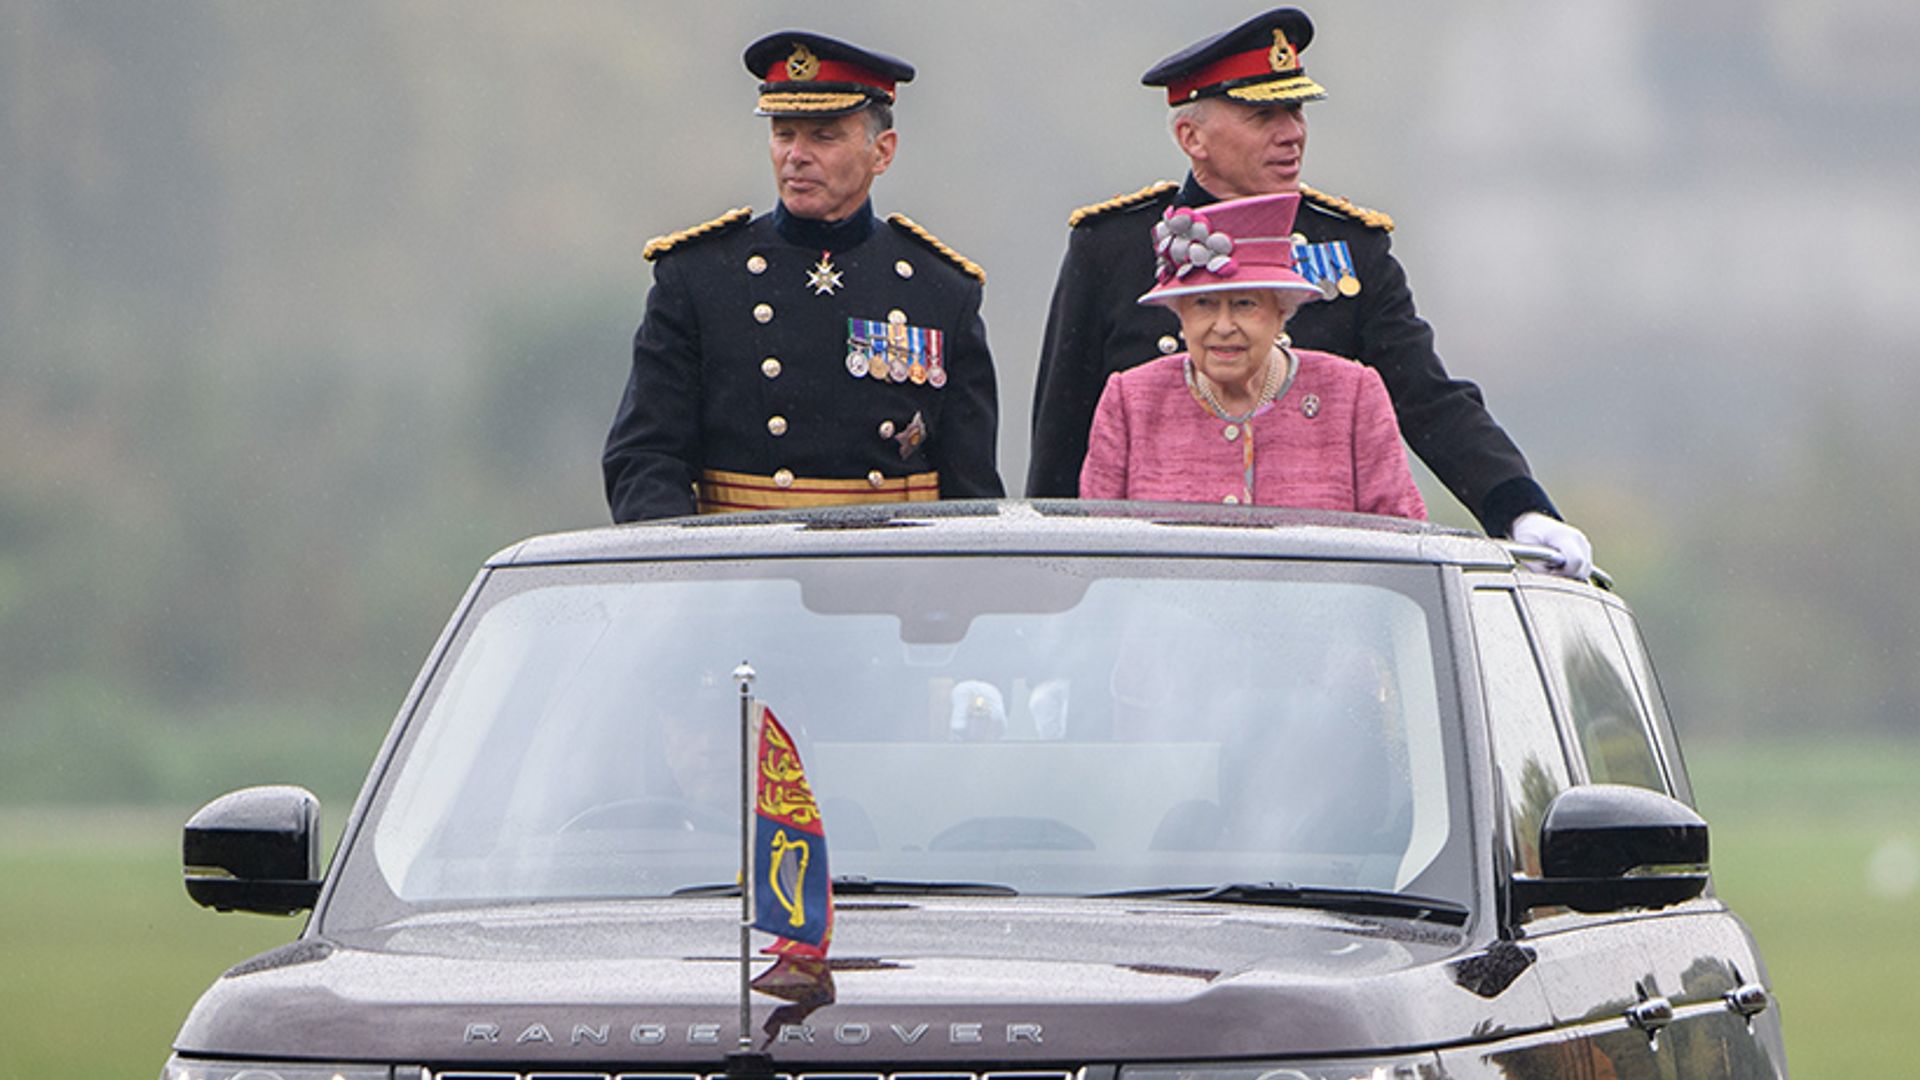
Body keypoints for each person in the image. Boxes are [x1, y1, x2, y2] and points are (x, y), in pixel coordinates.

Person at [1028, 8, 1593, 576]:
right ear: (1190, 135)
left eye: (1296, 109)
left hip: (1317, 596)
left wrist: (1518, 508)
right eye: (1263, 114)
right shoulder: (1113, 247)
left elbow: (1428, 398)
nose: (1292, 132)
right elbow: (1062, 441)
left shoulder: (1350, 246)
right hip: (1157, 595)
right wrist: (1050, 604)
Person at [603, 31, 1004, 522]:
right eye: (783, 133)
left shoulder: (941, 291)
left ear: (882, 152)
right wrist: (687, 575)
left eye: (824, 136)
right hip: (740, 577)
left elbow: (972, 492)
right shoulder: (699, 278)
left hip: (891, 578)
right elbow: (644, 460)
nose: (796, 154)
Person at [1080, 191, 1425, 519]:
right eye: (1204, 304)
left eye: (1245, 304)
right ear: (1179, 315)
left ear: (1281, 314)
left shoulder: (1352, 396)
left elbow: (1403, 546)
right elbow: (1095, 550)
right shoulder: (1131, 400)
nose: (1224, 325)